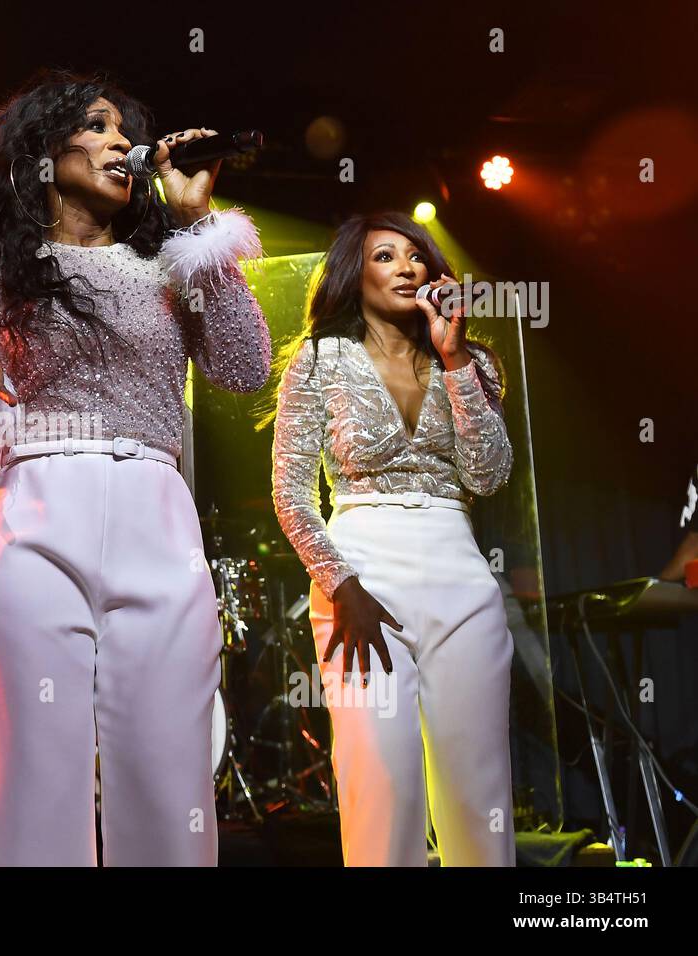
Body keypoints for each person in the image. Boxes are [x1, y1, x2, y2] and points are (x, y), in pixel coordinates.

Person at [0, 70, 271, 865]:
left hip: (156, 521)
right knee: (32, 785)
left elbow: (243, 366)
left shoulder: (170, 266)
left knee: (173, 784)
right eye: (98, 127)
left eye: (126, 132)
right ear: (39, 150)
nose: (121, 144)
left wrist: (200, 227)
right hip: (30, 512)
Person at [270, 211, 515, 866]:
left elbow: (489, 477)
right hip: (361, 578)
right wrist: (342, 585)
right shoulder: (320, 359)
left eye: (416, 256)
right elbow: (291, 495)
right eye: (386, 256)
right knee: (385, 792)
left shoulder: (468, 360)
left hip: (459, 574)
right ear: (356, 272)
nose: (407, 267)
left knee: (477, 798)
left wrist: (456, 356)